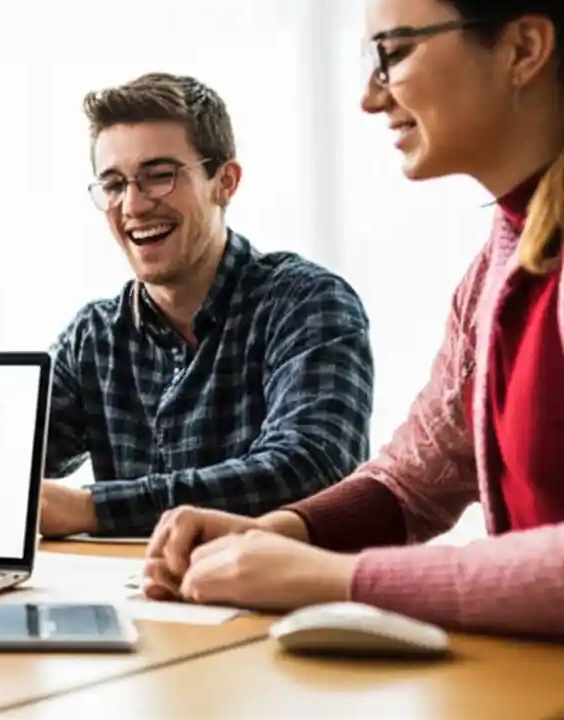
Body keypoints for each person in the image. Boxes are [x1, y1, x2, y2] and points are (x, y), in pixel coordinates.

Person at [143, 0, 564, 640]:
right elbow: (416, 481)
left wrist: (330, 578)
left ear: (524, 49)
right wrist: (278, 532)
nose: (371, 96)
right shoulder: (498, 260)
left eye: (391, 54)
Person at [38, 73, 375, 538]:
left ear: (226, 182)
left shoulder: (307, 303)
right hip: (136, 596)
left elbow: (312, 467)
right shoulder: (92, 336)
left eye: (159, 176)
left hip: (268, 599)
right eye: (113, 184)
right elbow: (9, 460)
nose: (133, 205)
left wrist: (92, 508)